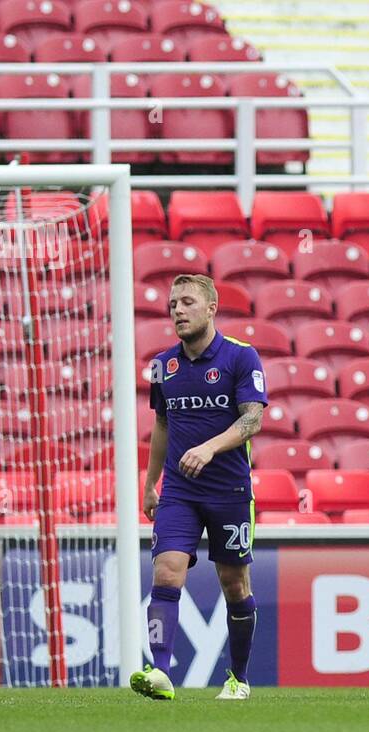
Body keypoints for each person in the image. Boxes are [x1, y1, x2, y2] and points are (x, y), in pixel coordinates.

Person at [133, 273, 267, 702]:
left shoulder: (241, 358)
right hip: (180, 493)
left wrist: (209, 448)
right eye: (173, 304)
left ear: (211, 308)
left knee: (235, 585)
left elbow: (252, 420)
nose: (178, 310)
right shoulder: (163, 366)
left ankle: (239, 678)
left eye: (188, 302)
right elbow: (162, 424)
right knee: (165, 571)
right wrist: (151, 482)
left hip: (229, 492)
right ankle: (159, 671)